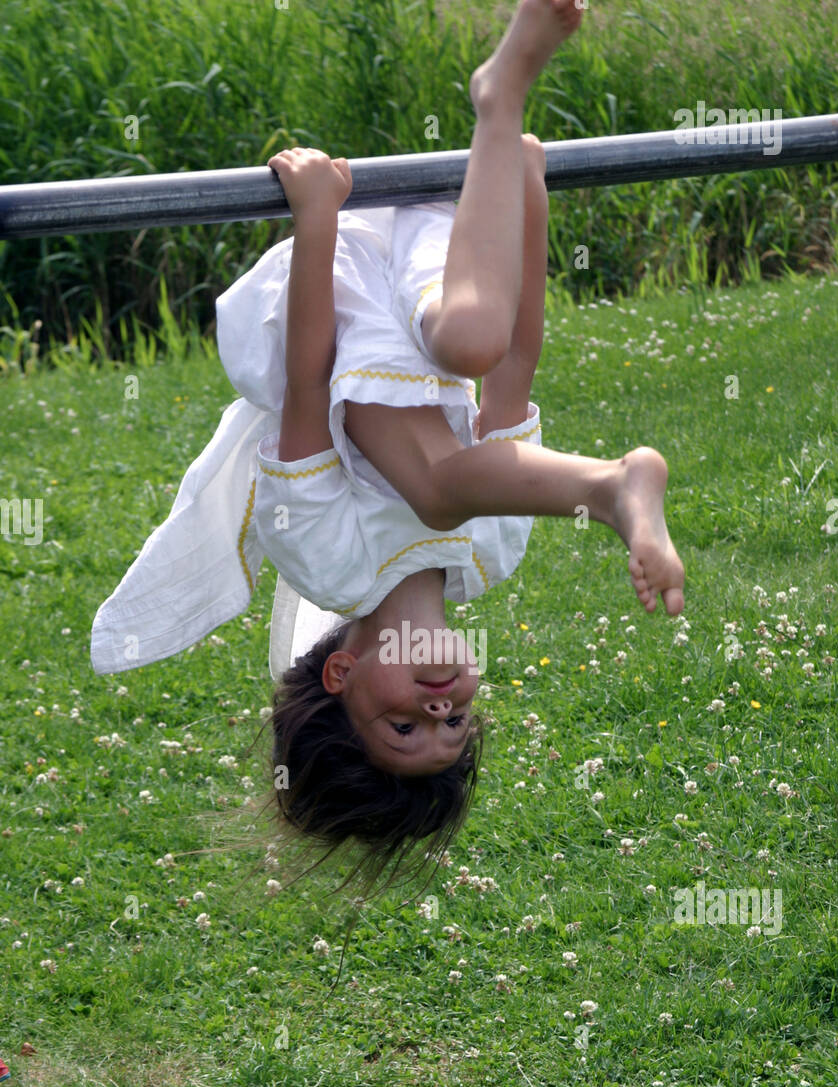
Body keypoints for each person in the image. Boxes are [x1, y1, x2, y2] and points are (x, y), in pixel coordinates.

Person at [90, 0, 684, 898]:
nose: (440, 707)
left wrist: (318, 218)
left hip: (341, 294)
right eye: (455, 725)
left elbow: (306, 377)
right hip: (446, 294)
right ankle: (500, 107)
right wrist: (526, 194)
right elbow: (517, 367)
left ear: (343, 671)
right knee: (478, 344)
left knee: (454, 429)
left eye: (405, 727)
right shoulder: (490, 556)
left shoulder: (324, 557)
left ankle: (608, 485)